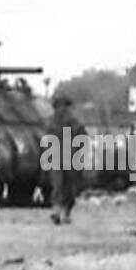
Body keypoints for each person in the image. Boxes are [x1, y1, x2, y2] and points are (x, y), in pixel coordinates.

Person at [48, 93, 85, 225]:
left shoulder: (75, 123)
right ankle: (57, 212)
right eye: (58, 106)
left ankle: (66, 212)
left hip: (71, 158)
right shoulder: (51, 123)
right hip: (56, 158)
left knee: (70, 188)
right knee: (57, 185)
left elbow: (82, 139)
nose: (61, 109)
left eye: (63, 106)